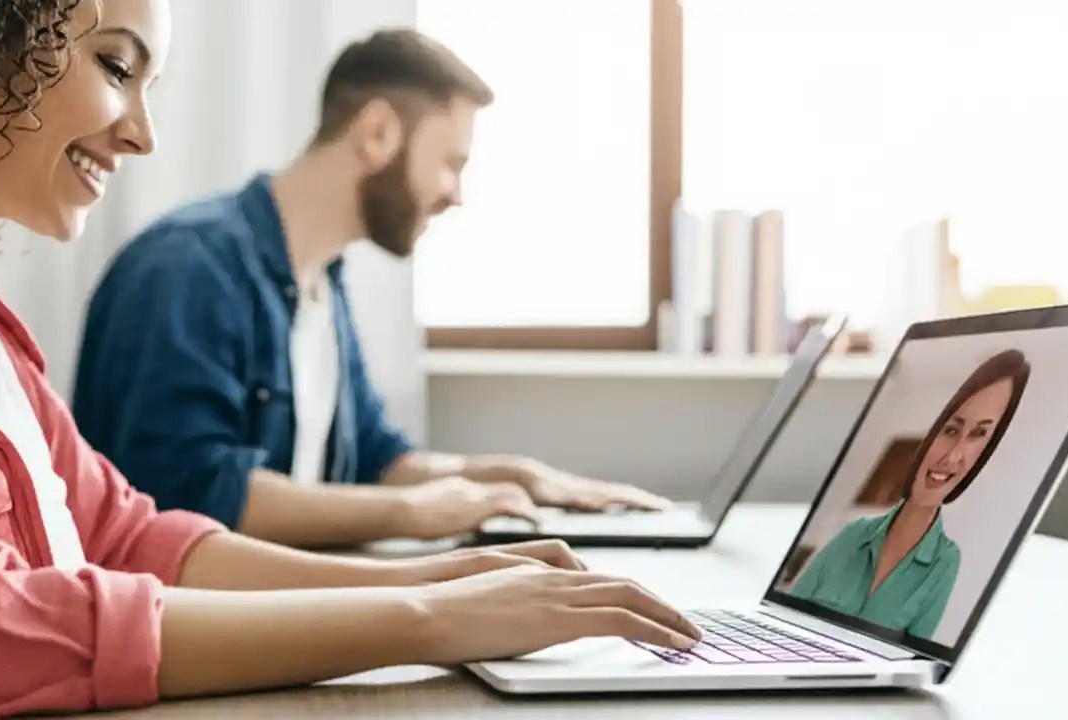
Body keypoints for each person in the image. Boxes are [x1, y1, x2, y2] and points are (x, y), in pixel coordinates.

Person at [0, 2, 701, 716]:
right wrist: (426, 610)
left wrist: (452, 574)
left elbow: (130, 535)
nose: (143, 135)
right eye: (114, 65)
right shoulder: (183, 267)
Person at [70, 28, 674, 548]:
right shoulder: (187, 268)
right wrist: (415, 515)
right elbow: (191, 493)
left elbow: (376, 461)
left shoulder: (321, 283)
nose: (455, 195)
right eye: (451, 163)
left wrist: (510, 477)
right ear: (379, 131)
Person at [789, 349, 1031, 639]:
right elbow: (787, 614)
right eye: (951, 430)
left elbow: (912, 655)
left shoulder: (945, 562)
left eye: (979, 435)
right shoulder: (853, 534)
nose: (953, 457)